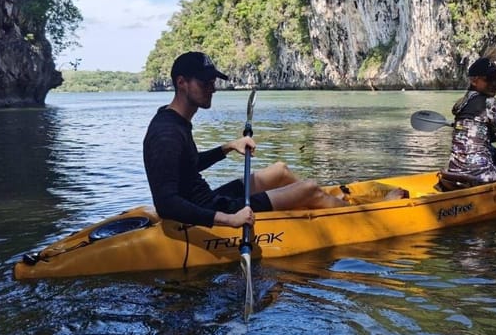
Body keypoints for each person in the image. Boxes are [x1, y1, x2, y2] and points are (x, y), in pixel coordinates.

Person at [143, 51, 349, 229]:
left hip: (208, 199)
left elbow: (190, 163)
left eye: (213, 83)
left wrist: (229, 147)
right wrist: (230, 219)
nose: (212, 89)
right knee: (309, 188)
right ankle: (349, 213)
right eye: (204, 83)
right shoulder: (166, 133)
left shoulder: (174, 120)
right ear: (182, 83)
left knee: (280, 171)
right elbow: (166, 204)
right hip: (209, 211)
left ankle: (321, 202)